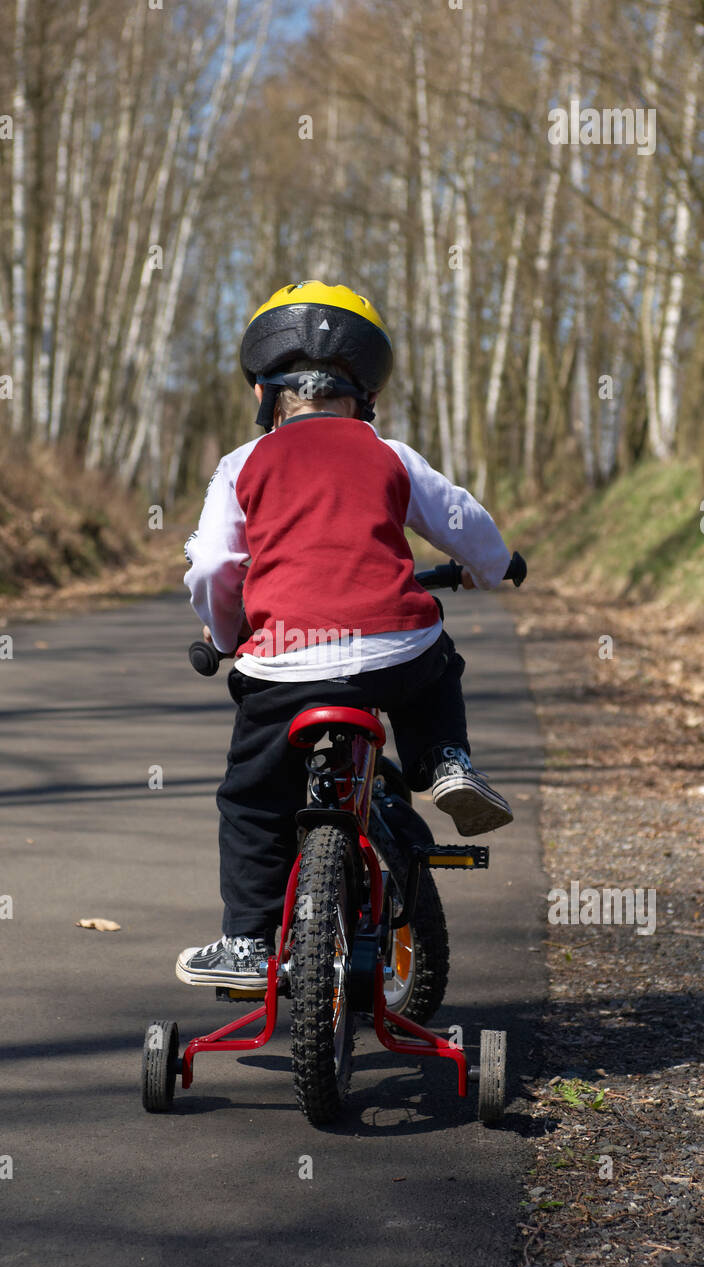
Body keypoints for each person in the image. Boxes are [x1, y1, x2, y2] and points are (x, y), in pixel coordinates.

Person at [178, 280, 514, 988]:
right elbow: (460, 520)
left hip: (283, 665)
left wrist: (228, 629)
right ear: (363, 394)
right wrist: (492, 567)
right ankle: (446, 760)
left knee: (252, 801)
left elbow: (213, 563)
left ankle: (245, 944)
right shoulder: (387, 451)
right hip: (394, 650)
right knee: (435, 662)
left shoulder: (242, 464)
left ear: (267, 396)